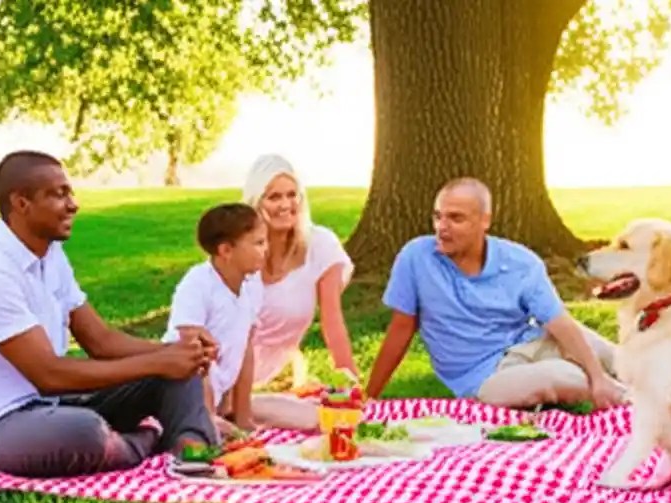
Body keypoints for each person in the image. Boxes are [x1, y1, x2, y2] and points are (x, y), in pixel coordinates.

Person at [0, 150, 220, 477]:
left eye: (70, 192)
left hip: (54, 406)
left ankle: (192, 452)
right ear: (20, 203)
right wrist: (159, 360)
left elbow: (101, 341)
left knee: (179, 371)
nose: (74, 204)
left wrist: (178, 350)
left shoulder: (51, 256)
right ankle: (144, 442)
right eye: (59, 194)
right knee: (84, 433)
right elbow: (49, 375)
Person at [364, 177, 626, 409]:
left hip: (531, 342)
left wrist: (599, 375)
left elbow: (559, 322)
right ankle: (629, 401)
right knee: (570, 378)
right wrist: (368, 398)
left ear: (484, 221)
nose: (442, 227)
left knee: (615, 357)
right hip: (484, 377)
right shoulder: (416, 257)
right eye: (437, 216)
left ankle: (651, 390)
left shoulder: (520, 262)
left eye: (456, 218)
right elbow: (401, 328)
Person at [242, 154, 358, 389]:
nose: (286, 205)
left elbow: (332, 321)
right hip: (225, 373)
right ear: (256, 202)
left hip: (277, 377)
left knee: (318, 417)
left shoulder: (321, 245)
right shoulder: (240, 251)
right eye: (274, 197)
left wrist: (351, 382)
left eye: (292, 195)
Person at [161, 203, 267, 436]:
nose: (265, 250)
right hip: (183, 392)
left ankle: (220, 418)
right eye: (258, 243)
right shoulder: (197, 284)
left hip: (220, 396)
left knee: (308, 416)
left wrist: (244, 416)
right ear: (226, 251)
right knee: (199, 352)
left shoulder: (252, 284)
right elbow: (191, 353)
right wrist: (207, 416)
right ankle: (204, 425)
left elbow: (245, 348)